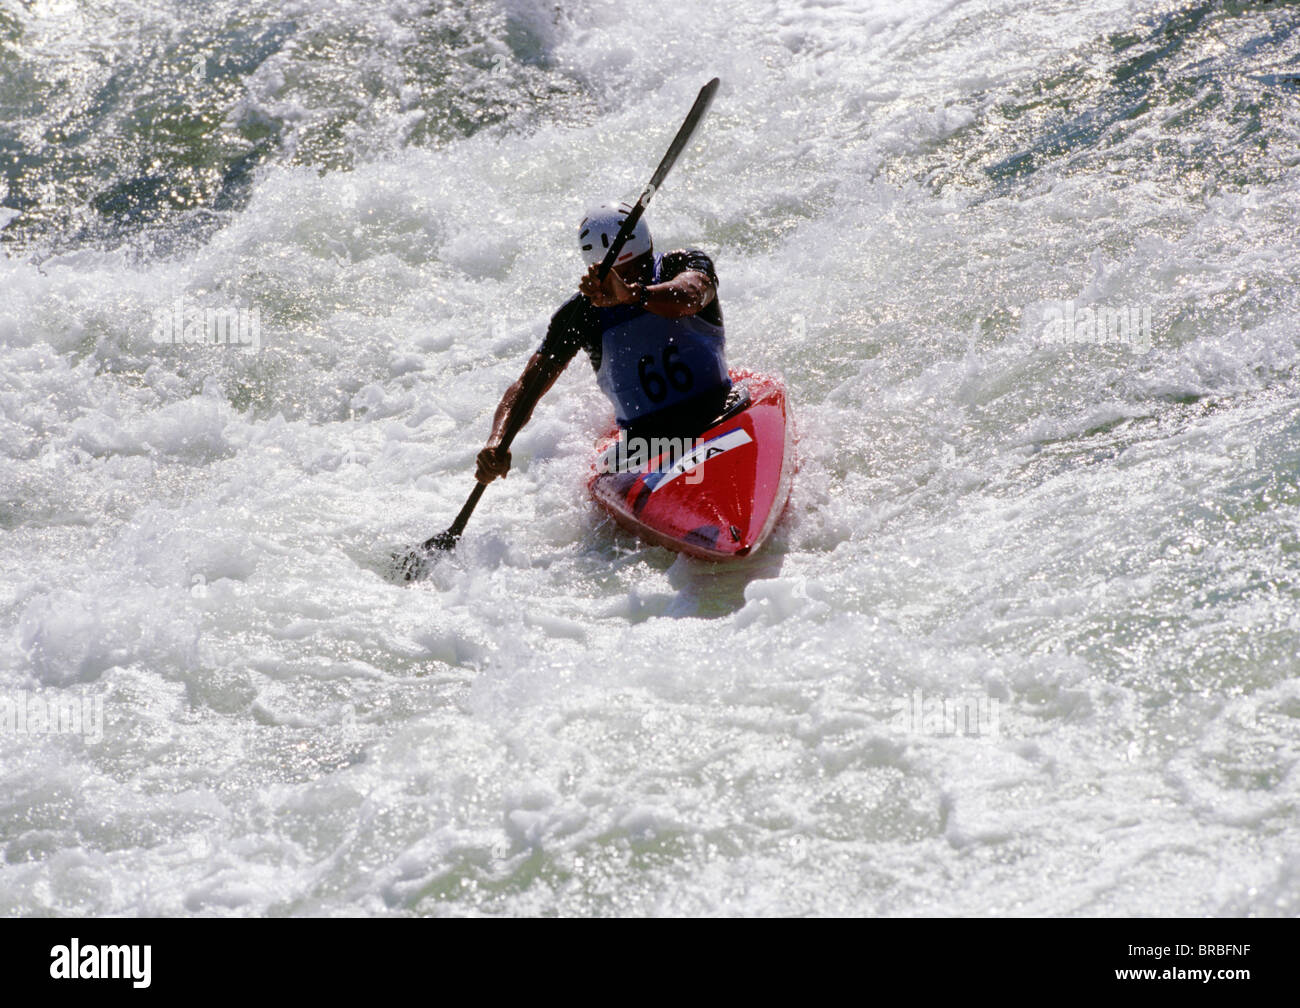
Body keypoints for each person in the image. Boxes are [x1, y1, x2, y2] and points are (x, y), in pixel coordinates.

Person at [474, 201, 730, 484]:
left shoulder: (682, 265)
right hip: (646, 444)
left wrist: (634, 294)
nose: (633, 278)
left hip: (718, 411)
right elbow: (527, 385)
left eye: (641, 267)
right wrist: (498, 440)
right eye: (622, 275)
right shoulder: (581, 314)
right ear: (598, 270)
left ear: (651, 248)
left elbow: (692, 295)